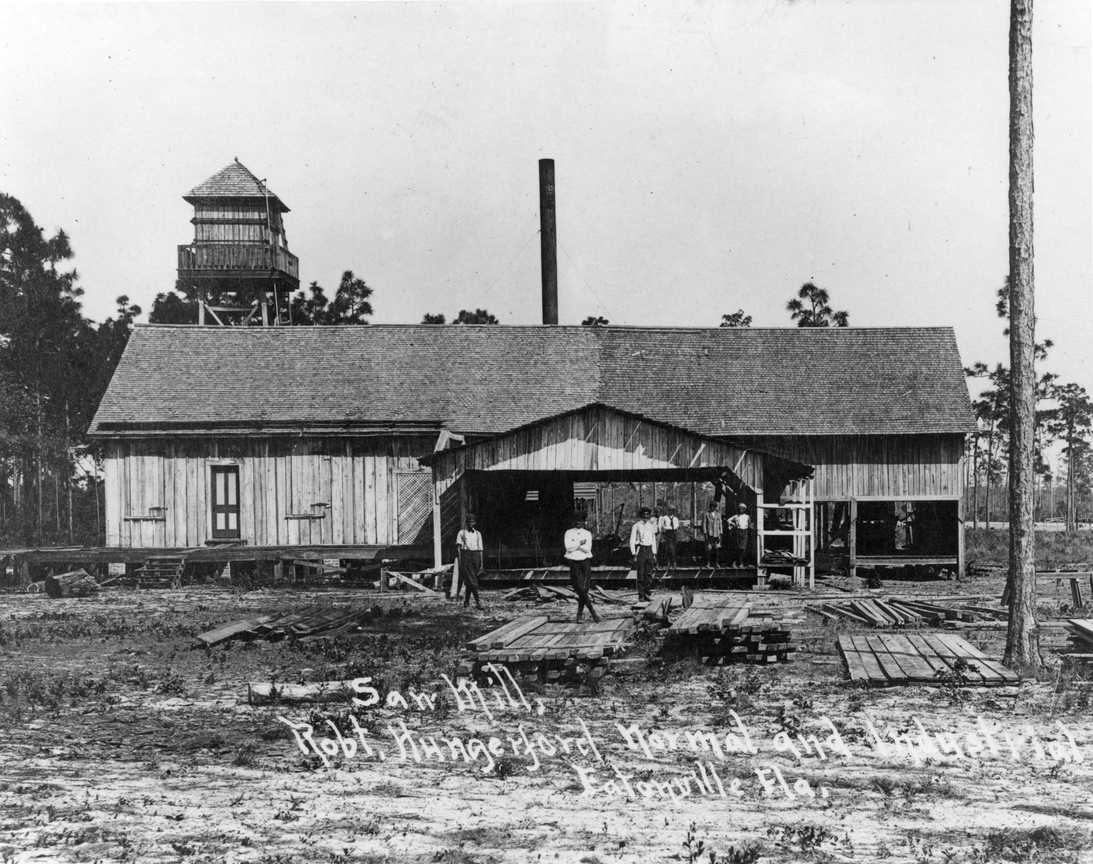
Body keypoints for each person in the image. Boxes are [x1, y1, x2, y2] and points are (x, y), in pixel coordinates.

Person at [563, 512, 599, 623]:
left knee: (585, 588)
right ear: (574, 522)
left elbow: (587, 549)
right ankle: (593, 612)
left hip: (585, 561)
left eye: (581, 521)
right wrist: (580, 544)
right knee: (579, 588)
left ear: (584, 522)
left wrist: (576, 545)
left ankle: (579, 615)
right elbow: (568, 548)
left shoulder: (587, 533)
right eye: (577, 521)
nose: (579, 523)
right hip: (574, 561)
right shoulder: (568, 533)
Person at [629, 507, 658, 601]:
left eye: (648, 515)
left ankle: (647, 593)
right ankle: (641, 595)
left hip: (649, 550)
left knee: (649, 574)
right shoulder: (636, 526)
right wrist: (634, 553)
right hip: (641, 550)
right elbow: (632, 540)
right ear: (641, 515)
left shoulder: (651, 525)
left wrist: (654, 553)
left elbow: (653, 539)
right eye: (644, 515)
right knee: (640, 574)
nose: (646, 516)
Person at [456, 513, 484, 609]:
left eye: (472, 522)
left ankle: (466, 602)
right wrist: (460, 562)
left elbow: (480, 549)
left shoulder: (478, 534)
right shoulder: (461, 533)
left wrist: (481, 564)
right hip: (466, 556)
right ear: (466, 523)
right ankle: (478, 602)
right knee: (473, 581)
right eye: (469, 522)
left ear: (475, 523)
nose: (471, 524)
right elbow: (459, 549)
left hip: (475, 557)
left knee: (470, 580)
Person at [726, 503, 751, 567]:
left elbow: (750, 524)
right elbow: (728, 520)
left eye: (742, 509)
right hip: (738, 531)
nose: (741, 510)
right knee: (737, 548)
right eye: (740, 508)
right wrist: (733, 524)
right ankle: (735, 562)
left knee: (743, 548)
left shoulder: (747, 516)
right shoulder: (736, 516)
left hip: (744, 531)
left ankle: (741, 562)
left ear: (744, 509)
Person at [700, 501, 723, 567]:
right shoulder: (706, 514)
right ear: (711, 507)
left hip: (717, 533)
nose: (714, 508)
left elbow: (720, 524)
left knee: (717, 548)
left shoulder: (718, 514)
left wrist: (720, 533)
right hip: (709, 534)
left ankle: (716, 563)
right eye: (713, 506)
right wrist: (705, 533)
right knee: (708, 549)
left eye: (715, 507)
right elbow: (704, 524)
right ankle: (708, 563)